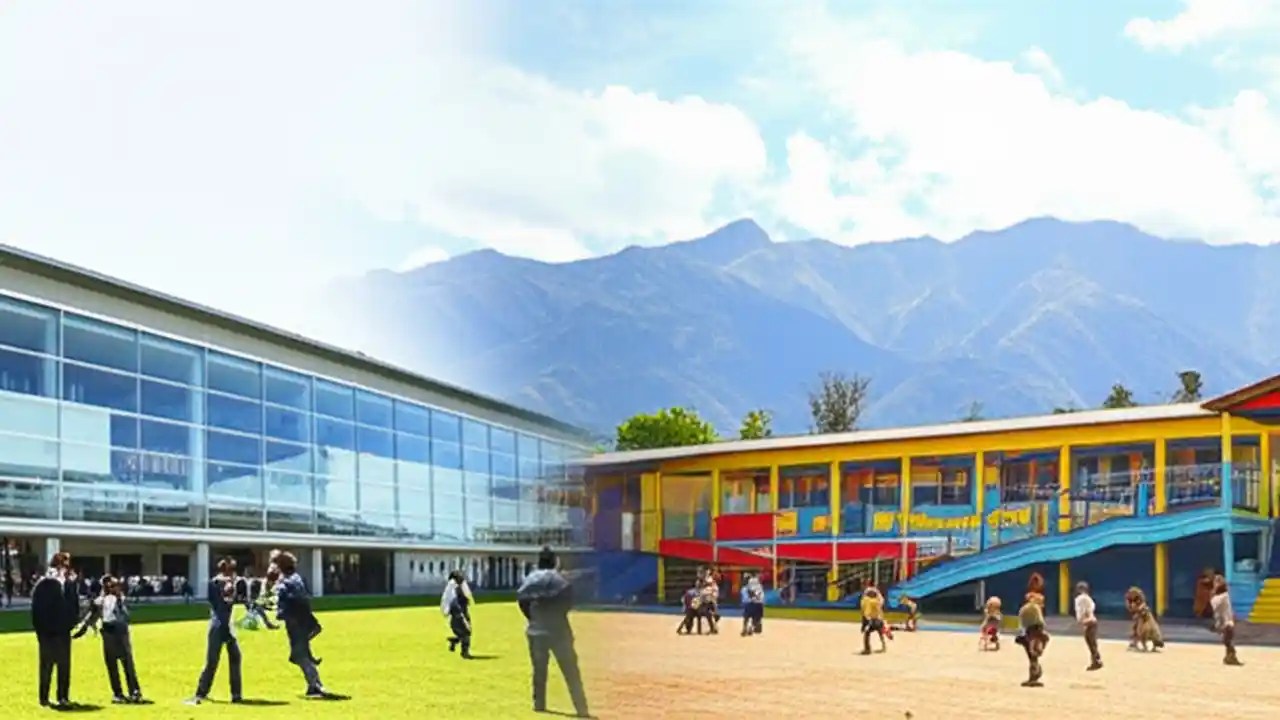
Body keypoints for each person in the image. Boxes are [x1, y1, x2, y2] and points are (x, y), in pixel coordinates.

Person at [516, 546, 589, 718]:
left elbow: (522, 601)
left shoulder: (529, 579)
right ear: (555, 562)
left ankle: (539, 704)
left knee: (539, 670)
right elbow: (569, 602)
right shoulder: (561, 580)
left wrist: (532, 617)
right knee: (571, 671)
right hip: (558, 630)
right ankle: (581, 708)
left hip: (535, 630)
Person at [74, 575, 145, 703]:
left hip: (121, 632)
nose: (110, 588)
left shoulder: (121, 599)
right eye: (108, 585)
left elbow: (127, 615)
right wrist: (82, 629)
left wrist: (119, 600)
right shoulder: (100, 601)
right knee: (112, 665)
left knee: (127, 663)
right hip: (108, 633)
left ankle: (134, 691)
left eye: (113, 585)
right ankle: (118, 693)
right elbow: (91, 617)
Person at [274, 551, 331, 698]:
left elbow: (287, 602)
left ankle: (316, 685)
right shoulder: (297, 579)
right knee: (301, 653)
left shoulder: (286, 582)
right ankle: (314, 684)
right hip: (301, 621)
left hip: (295, 622)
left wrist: (281, 613)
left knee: (300, 655)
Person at [186, 557, 243, 705]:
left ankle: (204, 692)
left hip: (220, 624)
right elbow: (227, 596)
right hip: (221, 625)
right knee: (220, 660)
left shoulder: (214, 582)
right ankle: (203, 693)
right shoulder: (223, 583)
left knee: (218, 660)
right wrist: (231, 584)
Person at [31, 551, 81, 709]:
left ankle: (62, 697)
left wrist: (72, 622)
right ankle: (44, 698)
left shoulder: (68, 584)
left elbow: (73, 606)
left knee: (64, 666)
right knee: (47, 666)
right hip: (48, 632)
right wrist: (41, 631)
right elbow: (38, 611)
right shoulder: (45, 583)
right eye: (65, 565)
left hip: (63, 631)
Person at [1015, 589, 1049, 687]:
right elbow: (1040, 622)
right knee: (1034, 656)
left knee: (1032, 656)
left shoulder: (1024, 609)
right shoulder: (1035, 609)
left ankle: (1034, 675)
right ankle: (1034, 675)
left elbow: (1021, 623)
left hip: (1028, 633)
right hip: (1035, 633)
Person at [1211, 574, 1243, 666]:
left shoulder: (1220, 597)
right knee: (1228, 641)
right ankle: (1230, 658)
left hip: (1226, 622)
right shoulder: (1223, 597)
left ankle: (1229, 657)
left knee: (1228, 641)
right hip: (1226, 622)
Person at [441, 569, 474, 658]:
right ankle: (464, 653)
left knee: (463, 634)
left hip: (455, 618)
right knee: (466, 633)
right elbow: (458, 607)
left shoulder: (454, 589)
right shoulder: (455, 590)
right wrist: (465, 621)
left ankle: (454, 641)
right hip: (458, 617)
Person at [1074, 582, 1102, 671]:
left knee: (1090, 641)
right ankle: (1096, 659)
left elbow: (1081, 610)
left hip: (1088, 621)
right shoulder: (1089, 599)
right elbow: (1091, 609)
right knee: (1092, 641)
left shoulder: (1080, 599)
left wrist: (1081, 619)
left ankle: (1096, 660)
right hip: (1093, 621)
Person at [859, 586, 887, 655]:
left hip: (872, 621)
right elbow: (881, 600)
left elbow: (866, 613)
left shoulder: (867, 601)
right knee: (880, 633)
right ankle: (884, 646)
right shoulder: (878, 601)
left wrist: (865, 623)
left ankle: (867, 649)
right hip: (879, 620)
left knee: (867, 633)